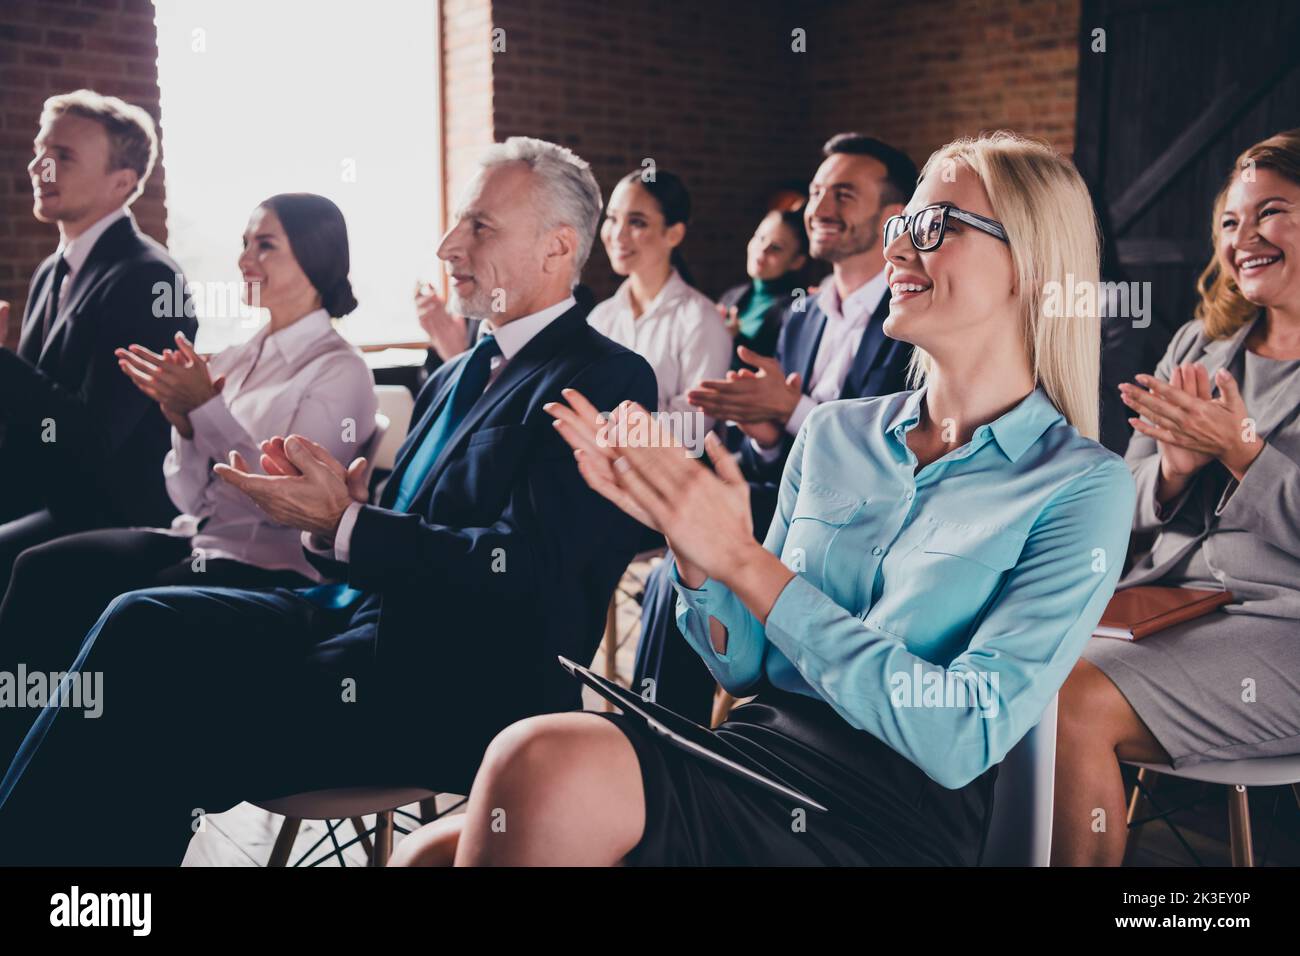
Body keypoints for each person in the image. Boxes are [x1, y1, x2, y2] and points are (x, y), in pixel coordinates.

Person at [390, 131, 1136, 866]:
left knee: (541, 757)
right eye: (903, 224)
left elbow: (962, 737)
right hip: (750, 758)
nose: (899, 249)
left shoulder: (1083, 487)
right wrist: (692, 544)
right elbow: (742, 670)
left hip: (886, 822)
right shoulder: (836, 435)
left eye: (934, 227)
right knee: (433, 851)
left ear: (1030, 269)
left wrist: (743, 560)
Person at [0, 137, 657, 865]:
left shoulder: (606, 379)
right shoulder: (457, 371)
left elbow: (531, 571)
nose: (447, 245)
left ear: (557, 248)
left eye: (479, 227)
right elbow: (391, 527)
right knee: (138, 622)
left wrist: (345, 522)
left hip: (453, 684)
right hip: (350, 624)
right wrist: (329, 520)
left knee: (154, 713)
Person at [0, 194, 376, 757]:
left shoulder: (340, 370)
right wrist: (182, 423)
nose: (245, 257)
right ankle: (19, 756)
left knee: (108, 606)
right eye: (245, 242)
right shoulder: (232, 356)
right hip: (200, 538)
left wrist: (205, 412)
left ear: (316, 256)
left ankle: (67, 770)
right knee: (41, 569)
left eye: (265, 244)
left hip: (273, 569)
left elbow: (290, 506)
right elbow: (186, 495)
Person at [1053, 129, 1300, 867]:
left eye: (1272, 213)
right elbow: (1120, 498)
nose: (1243, 237)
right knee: (1004, 664)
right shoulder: (1198, 344)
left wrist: (1243, 452)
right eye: (1230, 221)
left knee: (1070, 700)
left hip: (1286, 625)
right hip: (1172, 604)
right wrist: (1175, 471)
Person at [634, 134, 918, 723]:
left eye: (843, 194)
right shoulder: (802, 313)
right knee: (681, 541)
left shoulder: (913, 313)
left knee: (681, 565)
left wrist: (788, 411)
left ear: (894, 216)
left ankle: (665, 739)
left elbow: (899, 449)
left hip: (867, 521)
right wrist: (765, 431)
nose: (818, 209)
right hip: (787, 502)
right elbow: (777, 457)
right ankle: (658, 736)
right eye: (816, 192)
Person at [0, 89, 197, 588]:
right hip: (44, 495)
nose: (39, 168)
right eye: (40, 151)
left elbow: (92, 436)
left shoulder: (151, 278)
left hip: (110, 512)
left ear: (122, 182)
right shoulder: (52, 270)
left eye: (62, 156)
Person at [587, 170, 733, 444]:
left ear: (674, 234)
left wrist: (605, 429)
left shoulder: (700, 318)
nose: (618, 234)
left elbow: (694, 425)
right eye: (612, 218)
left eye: (637, 222)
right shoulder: (600, 318)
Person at [717, 208, 809, 369]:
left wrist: (735, 338)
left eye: (777, 247)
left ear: (797, 261)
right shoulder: (732, 295)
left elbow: (785, 366)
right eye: (760, 238)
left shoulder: (800, 304)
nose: (763, 249)